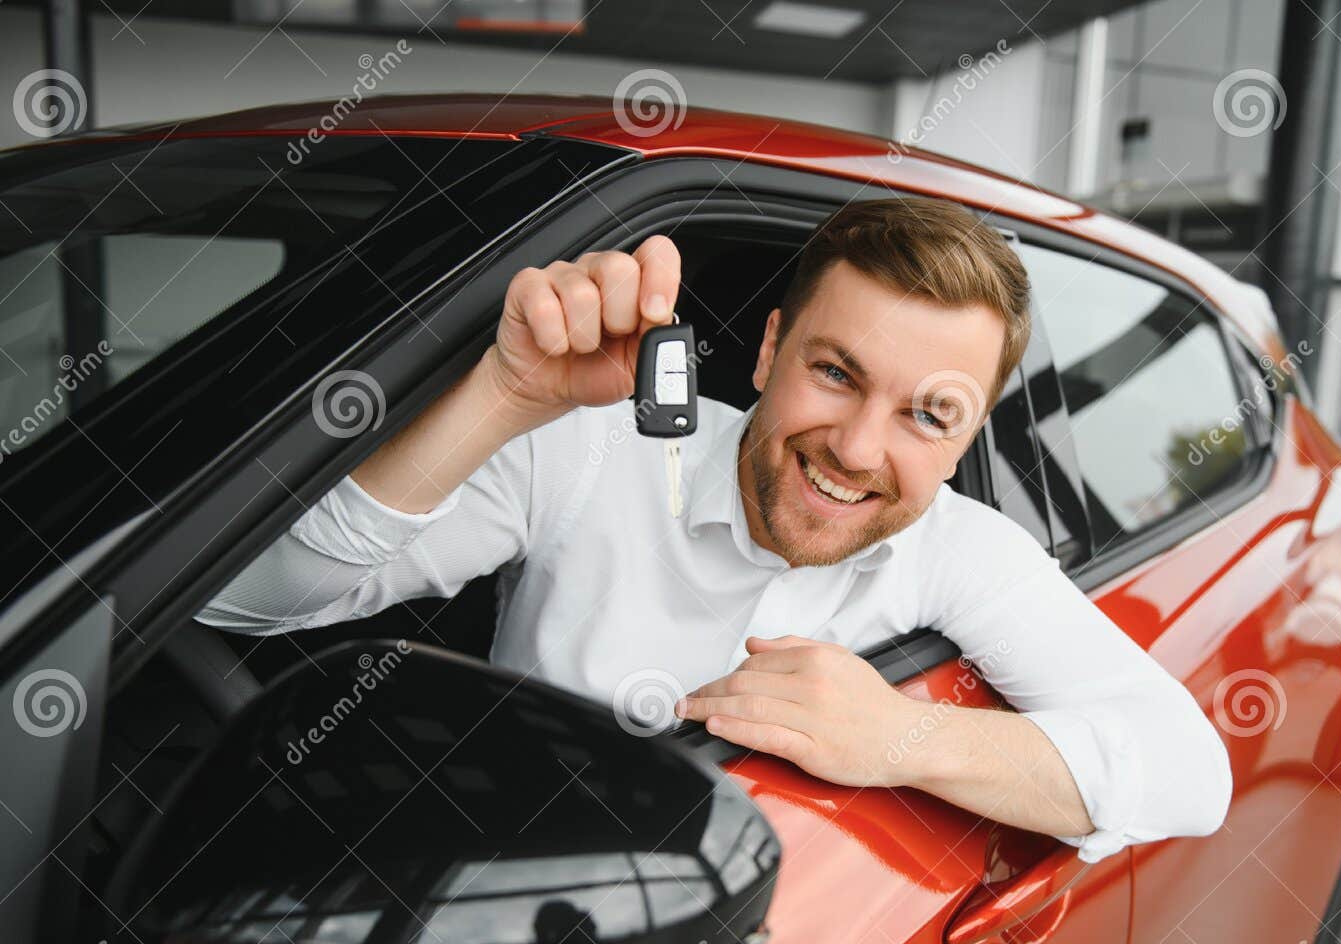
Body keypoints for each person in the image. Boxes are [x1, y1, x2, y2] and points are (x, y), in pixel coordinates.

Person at [198, 197, 1231, 862]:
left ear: (966, 441)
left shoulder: (959, 548)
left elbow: (1190, 772)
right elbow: (248, 595)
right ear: (770, 350)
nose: (860, 450)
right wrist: (503, 396)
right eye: (836, 373)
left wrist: (898, 738)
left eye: (926, 414)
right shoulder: (593, 441)